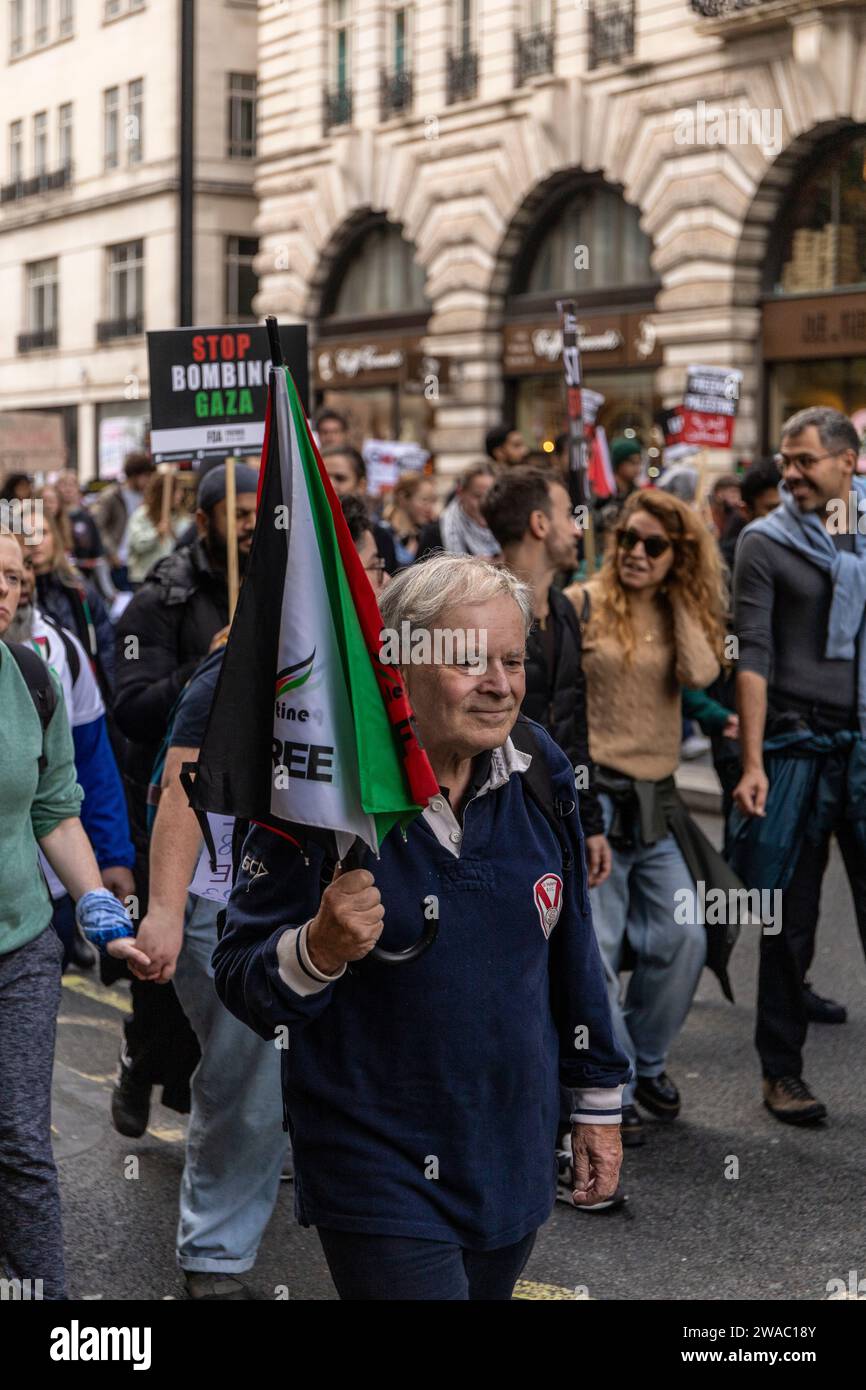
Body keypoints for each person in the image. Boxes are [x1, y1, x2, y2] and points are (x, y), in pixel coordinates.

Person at [211, 554, 628, 1301]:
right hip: (379, 1161)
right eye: (470, 661)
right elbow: (242, 974)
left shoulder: (539, 765)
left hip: (509, 1147)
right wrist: (318, 949)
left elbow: (574, 949)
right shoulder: (317, 790)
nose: (500, 683)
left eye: (512, 658)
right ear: (398, 665)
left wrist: (597, 1102)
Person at [127, 495, 383, 1301]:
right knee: (248, 1070)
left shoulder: (377, 659)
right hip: (227, 900)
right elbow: (182, 784)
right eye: (359, 568)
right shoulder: (245, 661)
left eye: (374, 566)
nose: (373, 581)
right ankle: (215, 1257)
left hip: (324, 899)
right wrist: (165, 914)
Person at [0, 529, 146, 1301]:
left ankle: (41, 1303)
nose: (3, 587)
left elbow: (57, 807)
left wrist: (95, 900)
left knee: (21, 1140)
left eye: (14, 576)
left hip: (19, 945)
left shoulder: (30, 678)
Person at [565, 490, 727, 1145]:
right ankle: (615, 1088)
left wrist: (678, 594)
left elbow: (702, 671)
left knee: (684, 938)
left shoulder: (676, 607)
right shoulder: (580, 603)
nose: (635, 552)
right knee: (598, 953)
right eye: (629, 538)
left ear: (677, 554)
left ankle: (647, 1062)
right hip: (596, 795)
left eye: (655, 545)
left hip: (657, 798)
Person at [110, 463, 260, 1138]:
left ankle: (229, 1115)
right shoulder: (160, 601)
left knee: (233, 989)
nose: (254, 525)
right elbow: (133, 709)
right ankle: (139, 1065)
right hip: (172, 817)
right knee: (164, 982)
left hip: (251, 827)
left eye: (264, 513)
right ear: (205, 523)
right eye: (240, 514)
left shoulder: (286, 591)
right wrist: (205, 667)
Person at [730, 406, 866, 1125]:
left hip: (864, 748)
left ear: (848, 462)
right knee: (788, 920)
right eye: (784, 461)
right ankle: (780, 1074)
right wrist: (751, 760)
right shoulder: (763, 541)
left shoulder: (863, 532)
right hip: (796, 749)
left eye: (804, 460)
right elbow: (753, 652)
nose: (789, 474)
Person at [4, 544, 135, 971]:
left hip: (33, 922)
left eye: (14, 575)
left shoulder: (43, 670)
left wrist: (108, 866)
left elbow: (78, 777)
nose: (7, 589)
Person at [29, 508, 115, 699]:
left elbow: (106, 642)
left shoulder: (80, 588)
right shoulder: (15, 595)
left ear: (55, 538)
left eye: (42, 533)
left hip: (85, 693)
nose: (35, 542)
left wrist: (110, 694)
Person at [319, 445, 397, 573]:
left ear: (361, 485)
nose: (330, 485)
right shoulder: (303, 534)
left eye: (340, 478)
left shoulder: (380, 538)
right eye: (323, 478)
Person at [92, 451, 156, 589]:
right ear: (134, 475)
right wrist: (111, 552)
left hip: (140, 563)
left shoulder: (149, 497)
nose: (148, 480)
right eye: (146, 476)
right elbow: (98, 526)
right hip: (120, 562)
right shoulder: (112, 496)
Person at [417, 462, 498, 560]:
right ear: (461, 493)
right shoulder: (436, 532)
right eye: (478, 496)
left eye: (491, 496)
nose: (485, 503)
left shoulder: (507, 528)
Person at [126, 472, 187, 585]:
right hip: (145, 579)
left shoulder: (180, 518)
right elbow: (138, 544)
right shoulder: (142, 516)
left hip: (170, 578)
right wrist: (157, 533)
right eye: (177, 491)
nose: (180, 495)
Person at [592, 437, 643, 550]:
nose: (637, 468)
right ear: (619, 463)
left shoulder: (638, 494)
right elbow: (585, 522)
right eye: (632, 462)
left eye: (639, 462)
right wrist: (604, 514)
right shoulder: (601, 492)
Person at [381, 473, 437, 566]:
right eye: (424, 500)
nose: (430, 508)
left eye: (433, 501)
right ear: (403, 498)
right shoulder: (383, 533)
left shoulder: (427, 535)